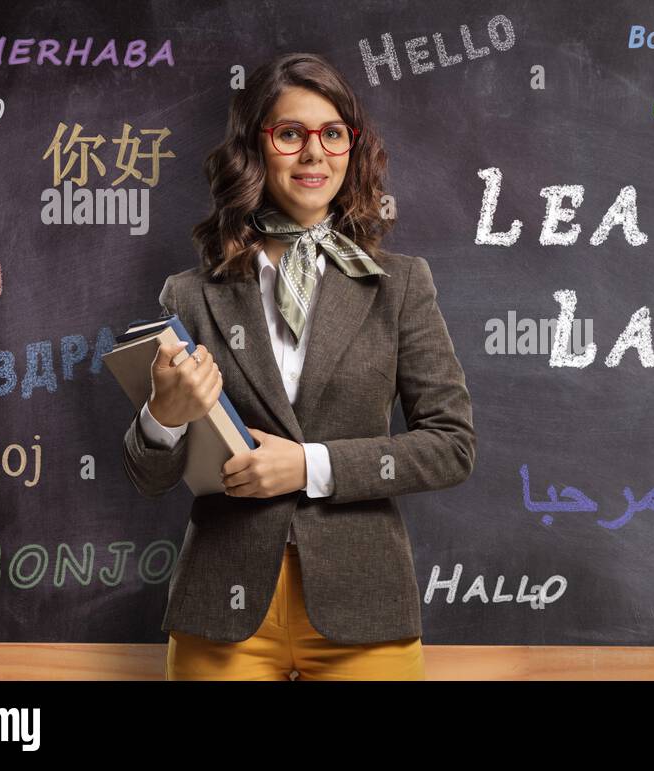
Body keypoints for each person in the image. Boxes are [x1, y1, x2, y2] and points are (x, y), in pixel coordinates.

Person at [121, 52, 476, 681]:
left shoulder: (400, 284)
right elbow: (148, 478)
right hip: (224, 606)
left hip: (362, 605)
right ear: (255, 150)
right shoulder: (190, 294)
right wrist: (163, 418)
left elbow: (450, 446)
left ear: (351, 149)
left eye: (332, 134)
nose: (315, 153)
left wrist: (310, 465)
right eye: (291, 133)